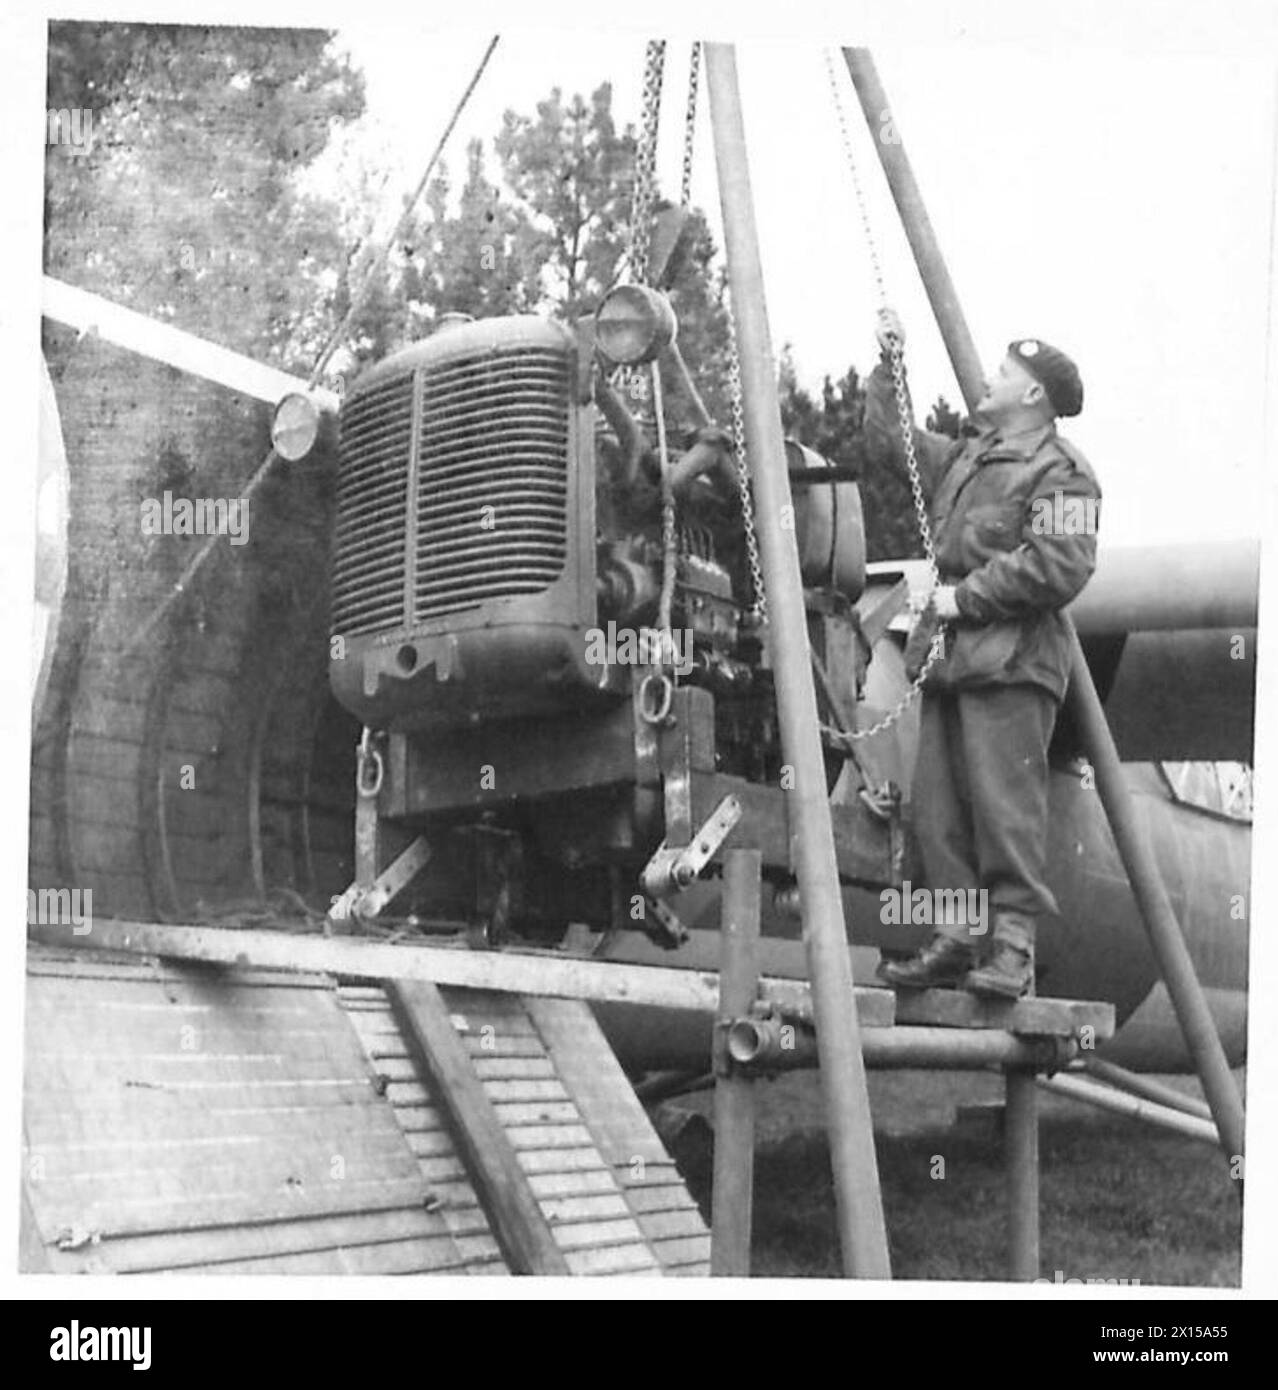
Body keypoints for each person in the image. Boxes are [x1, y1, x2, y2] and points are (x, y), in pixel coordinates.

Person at [864, 310, 1101, 998]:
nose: (989, 379)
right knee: (938, 812)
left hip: (1013, 661)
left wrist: (964, 600)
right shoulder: (969, 457)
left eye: (1004, 372)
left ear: (1033, 395)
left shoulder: (1064, 472)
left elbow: (1063, 565)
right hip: (950, 660)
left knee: (1005, 810)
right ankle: (956, 937)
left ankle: (1014, 951)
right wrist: (890, 367)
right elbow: (889, 445)